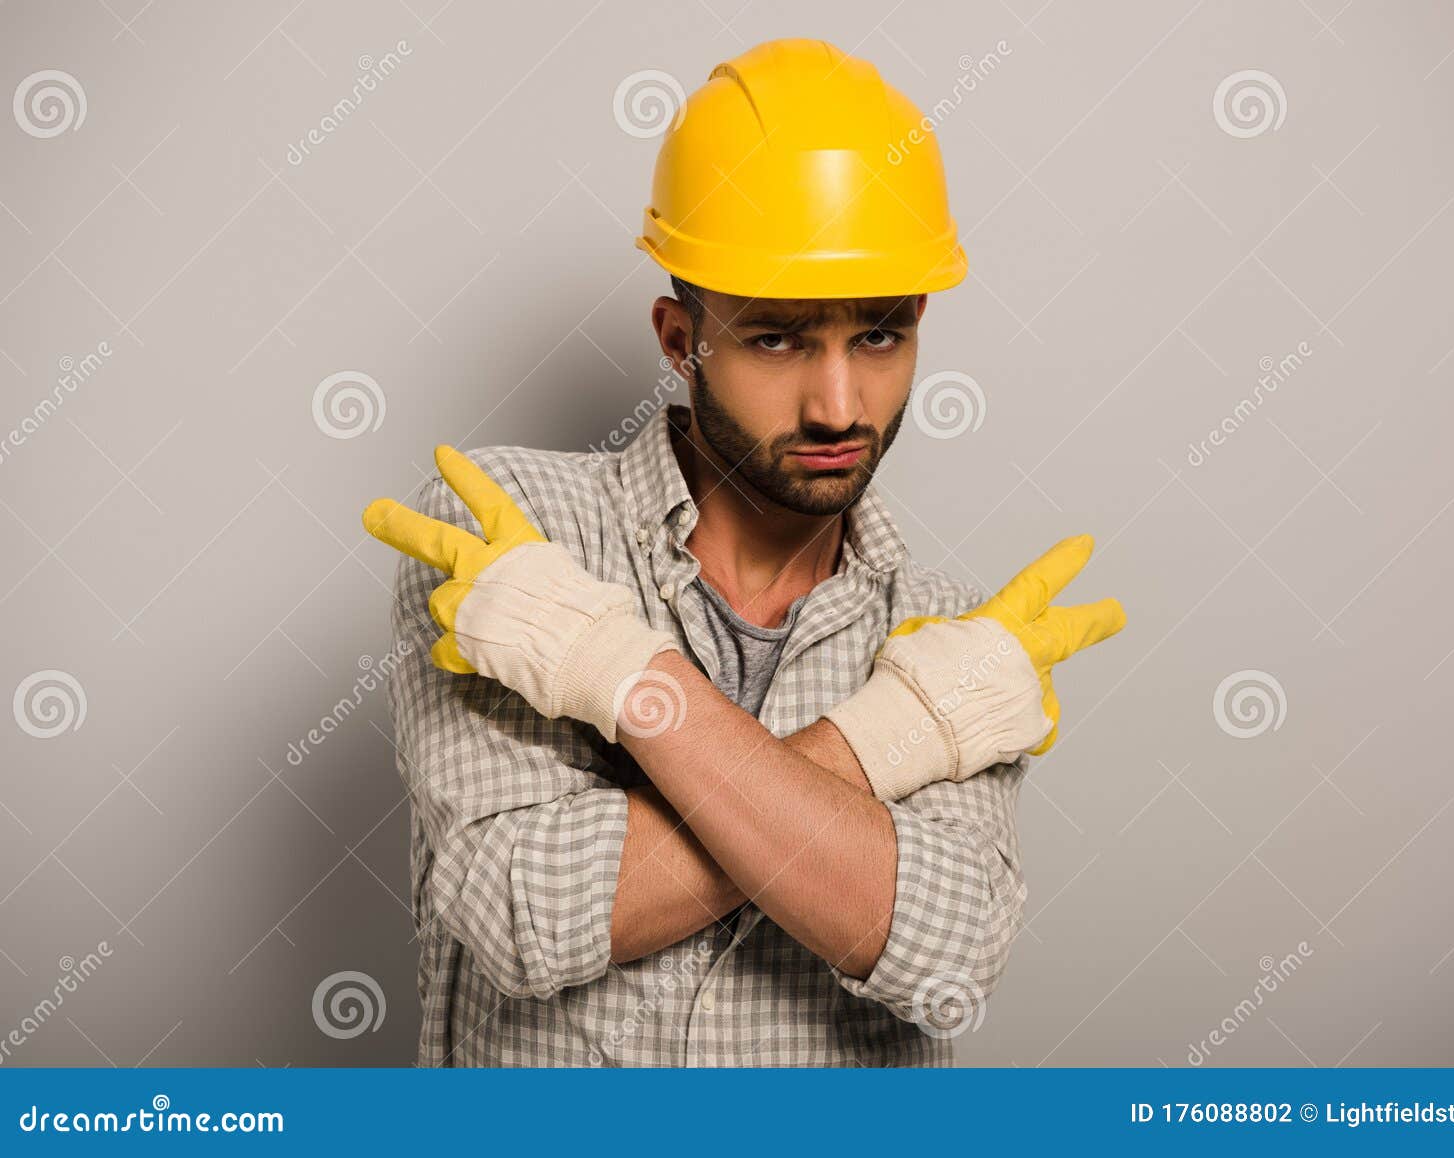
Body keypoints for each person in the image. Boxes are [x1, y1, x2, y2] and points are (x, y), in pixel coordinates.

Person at [362, 37, 1126, 1067]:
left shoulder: (952, 634)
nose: (839, 406)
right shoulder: (514, 542)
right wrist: (897, 735)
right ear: (681, 340)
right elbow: (519, 913)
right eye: (776, 340)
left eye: (879, 336)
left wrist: (614, 674)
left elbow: (943, 951)